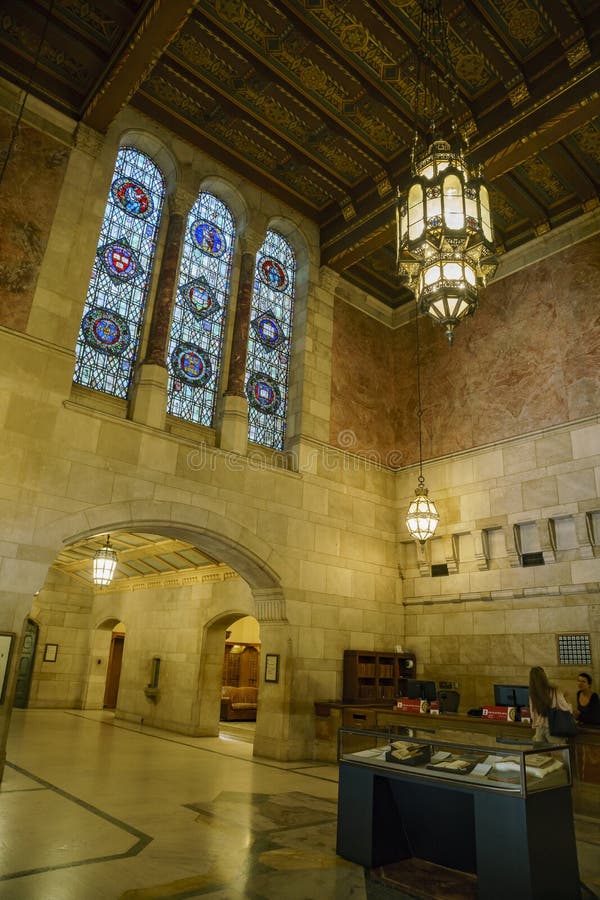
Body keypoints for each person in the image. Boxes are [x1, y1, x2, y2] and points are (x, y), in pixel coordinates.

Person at [528, 666, 572, 743]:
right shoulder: (554, 691)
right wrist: (569, 703)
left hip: (539, 730)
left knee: (541, 751)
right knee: (558, 750)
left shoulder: (533, 694)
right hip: (554, 728)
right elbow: (565, 708)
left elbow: (533, 714)